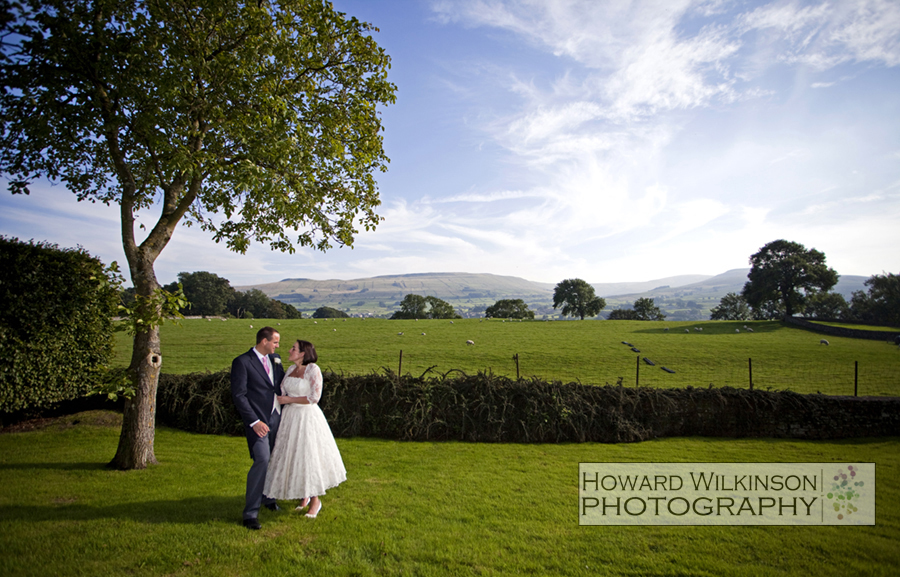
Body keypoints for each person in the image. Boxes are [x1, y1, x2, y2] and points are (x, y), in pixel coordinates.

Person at [264, 339, 346, 519]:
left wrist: (289, 400)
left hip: (306, 417)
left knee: (307, 456)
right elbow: (282, 391)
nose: (289, 350)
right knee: (293, 455)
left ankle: (315, 501)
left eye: (293, 348)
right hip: (289, 418)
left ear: (302, 353)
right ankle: (304, 496)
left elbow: (314, 397)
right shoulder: (290, 370)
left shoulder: (313, 370)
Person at [231, 326, 285, 530]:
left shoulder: (275, 359)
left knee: (274, 459)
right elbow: (239, 395)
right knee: (262, 459)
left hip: (277, 417)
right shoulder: (242, 362)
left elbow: (280, 385)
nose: (277, 346)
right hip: (258, 421)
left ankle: (269, 498)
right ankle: (250, 514)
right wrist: (254, 422)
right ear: (264, 341)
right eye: (275, 342)